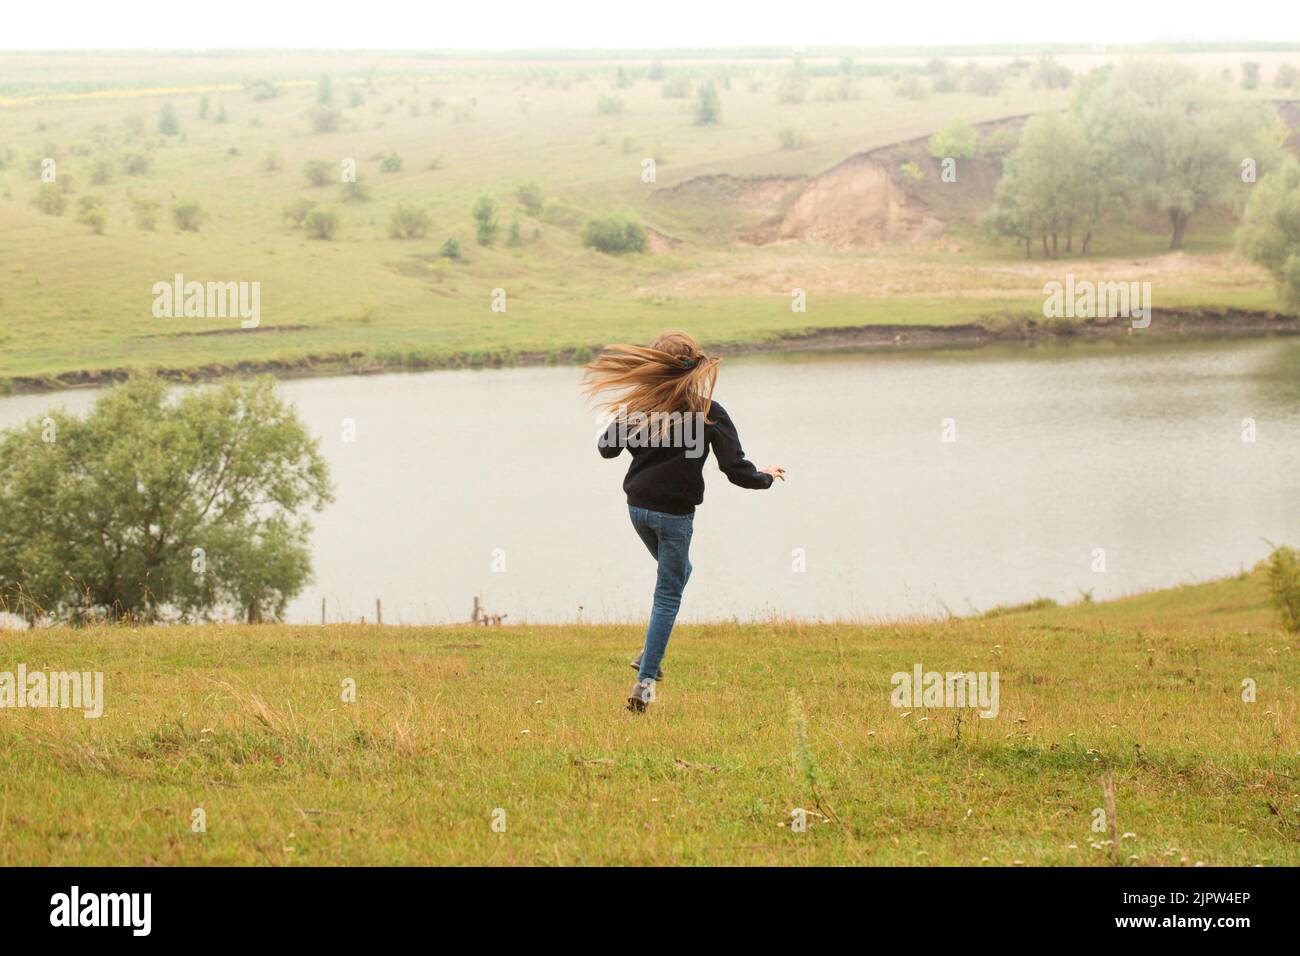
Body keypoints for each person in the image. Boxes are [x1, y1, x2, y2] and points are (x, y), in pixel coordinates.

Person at [584, 330, 785, 713]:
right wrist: (766, 477)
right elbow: (735, 469)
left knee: (677, 573)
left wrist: (626, 415)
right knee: (668, 594)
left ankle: (650, 654)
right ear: (696, 365)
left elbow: (606, 449)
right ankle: (644, 684)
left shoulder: (640, 408)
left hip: (637, 510)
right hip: (674, 516)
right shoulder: (708, 411)